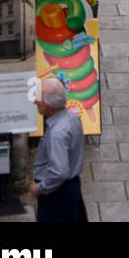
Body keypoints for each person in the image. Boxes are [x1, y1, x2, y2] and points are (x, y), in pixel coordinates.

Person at [30, 77, 86, 222]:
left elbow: (59, 172)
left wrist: (40, 188)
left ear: (51, 104)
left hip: (57, 194)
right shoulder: (73, 118)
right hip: (72, 187)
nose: (35, 101)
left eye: (39, 98)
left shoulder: (56, 134)